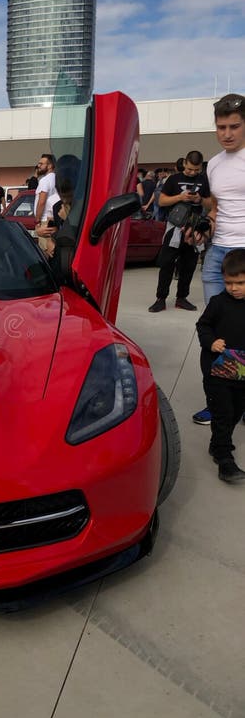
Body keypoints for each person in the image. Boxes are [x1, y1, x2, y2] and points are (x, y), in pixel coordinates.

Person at [193, 93, 245, 425]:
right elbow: (215, 208)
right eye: (221, 127)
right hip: (217, 255)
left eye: (234, 127)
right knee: (216, 333)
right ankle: (218, 402)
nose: (226, 134)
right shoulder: (213, 164)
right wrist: (204, 227)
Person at [195, 249, 245, 482]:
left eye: (240, 283)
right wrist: (211, 341)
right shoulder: (218, 303)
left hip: (241, 372)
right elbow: (203, 325)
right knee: (223, 412)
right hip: (217, 370)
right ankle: (224, 458)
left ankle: (218, 443)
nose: (233, 288)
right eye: (228, 283)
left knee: (236, 411)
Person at [148, 150, 210, 313]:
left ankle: (182, 298)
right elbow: (161, 201)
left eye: (196, 170)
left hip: (194, 227)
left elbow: (210, 204)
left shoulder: (203, 180)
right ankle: (161, 298)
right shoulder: (173, 179)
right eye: (189, 169)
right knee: (166, 263)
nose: (193, 173)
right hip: (174, 226)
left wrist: (200, 199)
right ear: (184, 163)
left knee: (189, 265)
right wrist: (180, 197)